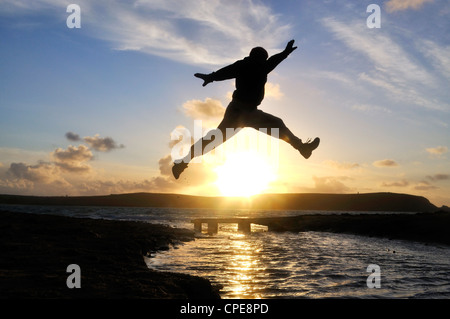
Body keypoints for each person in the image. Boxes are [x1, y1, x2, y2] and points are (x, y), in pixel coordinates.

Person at [172, 40, 320, 179]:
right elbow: (227, 71)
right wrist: (211, 77)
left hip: (250, 112)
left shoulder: (262, 67)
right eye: (263, 59)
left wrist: (285, 52)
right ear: (255, 58)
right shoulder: (245, 65)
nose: (264, 62)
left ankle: (302, 148)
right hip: (238, 111)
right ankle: (182, 162)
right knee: (214, 140)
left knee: (277, 124)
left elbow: (274, 61)